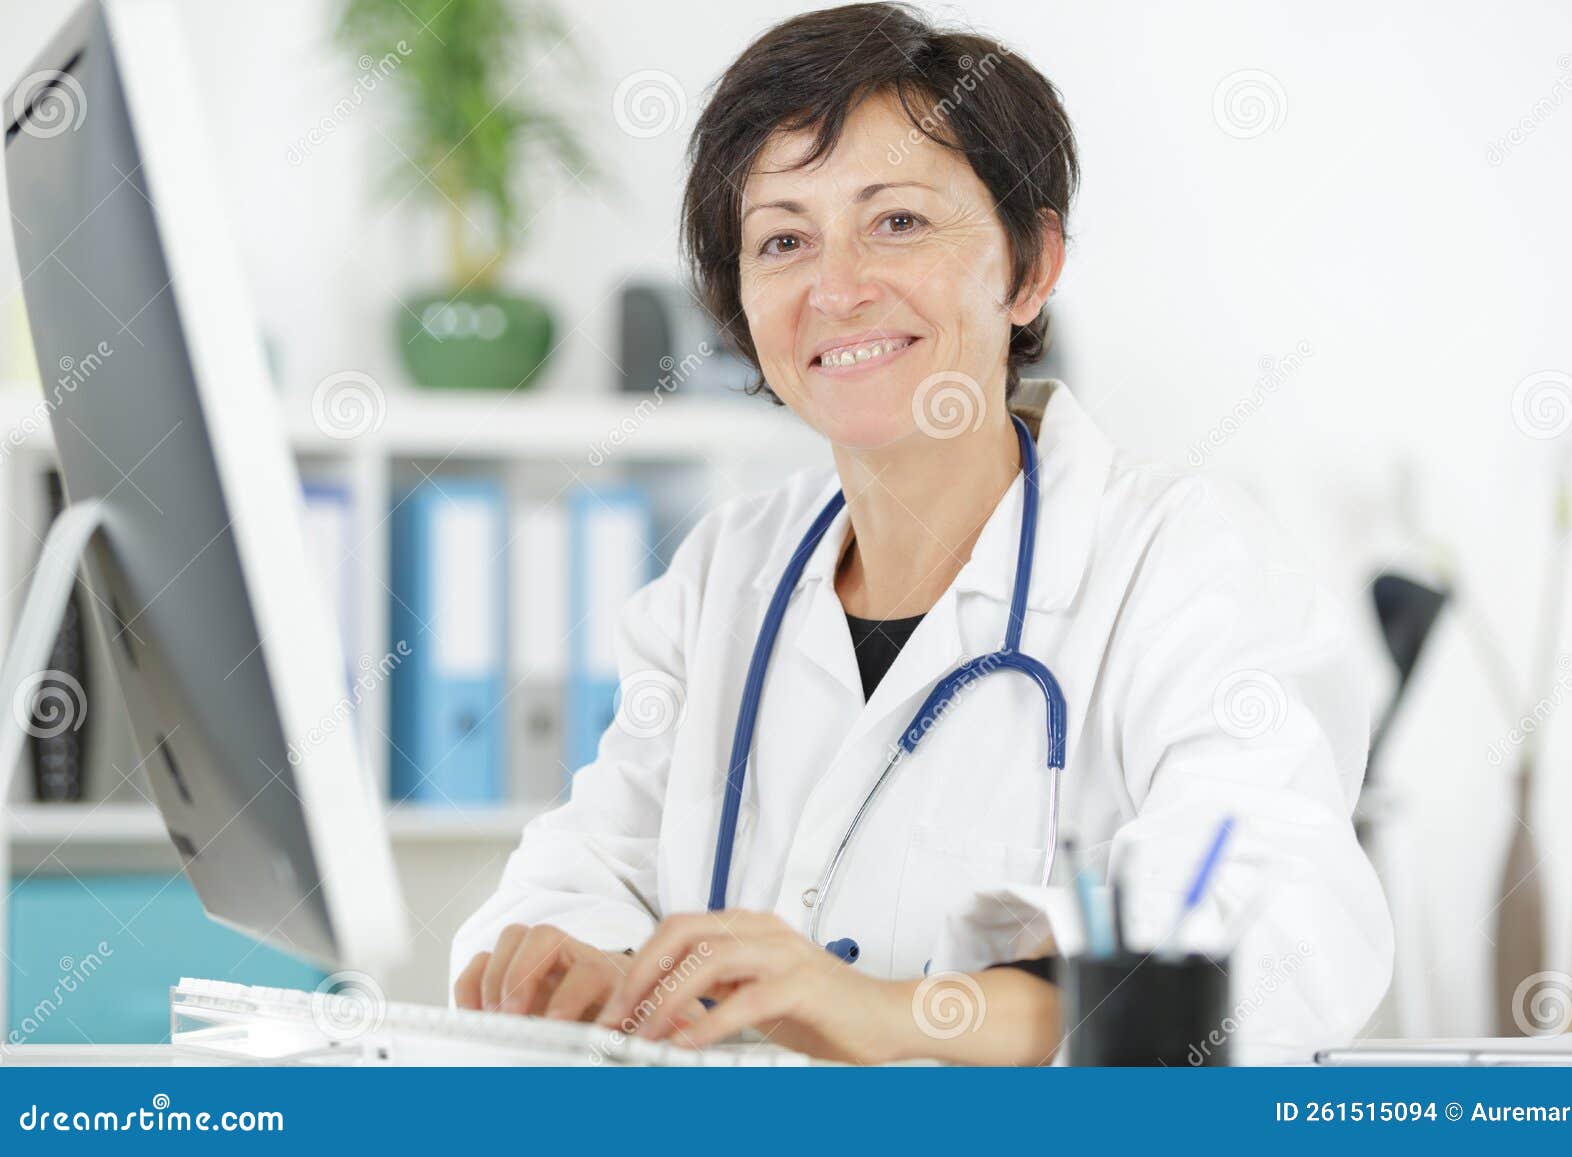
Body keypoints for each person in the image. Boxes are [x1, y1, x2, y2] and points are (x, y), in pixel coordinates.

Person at [452, 2, 1392, 1065]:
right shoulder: (724, 574)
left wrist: (886, 1012)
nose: (837, 288)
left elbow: (1275, 940)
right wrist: (567, 957)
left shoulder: (1182, 565)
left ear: (1030, 265)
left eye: (896, 221)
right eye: (782, 240)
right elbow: (579, 873)